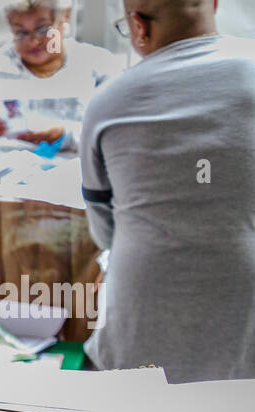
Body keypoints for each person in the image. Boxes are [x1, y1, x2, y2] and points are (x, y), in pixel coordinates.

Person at [80, 0, 255, 381]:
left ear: (138, 26)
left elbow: (105, 231)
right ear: (213, 4)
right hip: (246, 339)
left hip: (141, 343)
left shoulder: (108, 103)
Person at [0, 0, 122, 151]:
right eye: (21, 32)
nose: (33, 40)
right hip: (4, 173)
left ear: (64, 19)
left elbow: (117, 131)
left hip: (77, 172)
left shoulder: (98, 64)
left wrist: (65, 135)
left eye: (43, 29)